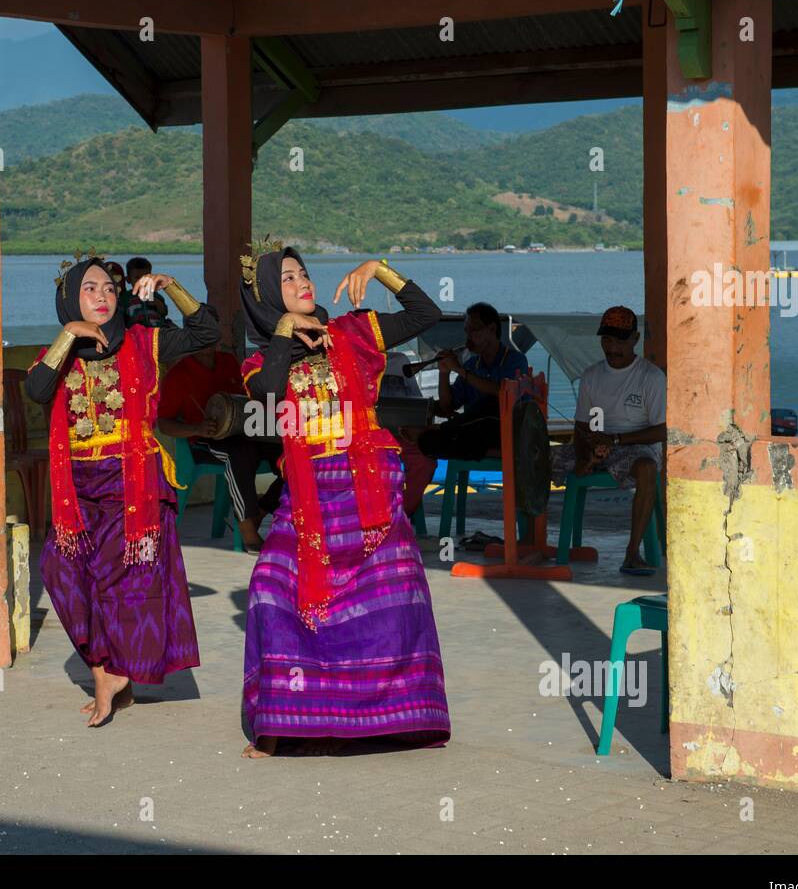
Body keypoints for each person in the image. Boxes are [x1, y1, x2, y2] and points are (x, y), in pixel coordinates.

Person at [238, 243, 450, 758]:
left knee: (390, 599)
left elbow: (428, 313)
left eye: (303, 273)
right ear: (267, 296)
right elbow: (267, 396)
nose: (302, 283)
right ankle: (286, 721)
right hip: (308, 494)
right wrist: (287, 332)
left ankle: (395, 718)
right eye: (287, 280)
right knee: (272, 588)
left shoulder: (353, 333)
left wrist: (379, 270)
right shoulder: (260, 359)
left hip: (369, 487)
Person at [26, 254, 219, 727]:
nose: (102, 296)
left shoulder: (144, 342)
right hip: (79, 489)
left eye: (110, 289)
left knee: (117, 584)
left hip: (131, 483)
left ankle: (108, 674)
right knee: (59, 570)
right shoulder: (61, 354)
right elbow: (35, 389)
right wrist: (68, 335)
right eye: (90, 289)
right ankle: (110, 670)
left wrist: (173, 287)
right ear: (71, 298)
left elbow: (206, 333)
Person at [550, 305, 666, 576]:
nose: (612, 348)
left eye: (619, 341)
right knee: (536, 459)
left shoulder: (651, 377)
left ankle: (632, 552)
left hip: (637, 446)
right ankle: (535, 544)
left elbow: (662, 431)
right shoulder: (591, 376)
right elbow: (581, 427)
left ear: (635, 340)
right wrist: (584, 456)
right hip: (600, 444)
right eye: (607, 340)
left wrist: (615, 440)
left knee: (647, 467)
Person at [400, 302, 530, 517]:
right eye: (467, 331)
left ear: (492, 329)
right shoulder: (472, 366)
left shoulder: (515, 359)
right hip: (473, 436)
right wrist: (444, 372)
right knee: (427, 443)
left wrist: (460, 370)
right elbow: (448, 407)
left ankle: (444, 434)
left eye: (475, 330)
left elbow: (503, 393)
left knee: (488, 406)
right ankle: (484, 451)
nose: (469, 336)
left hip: (503, 430)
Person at [157, 343, 284, 551]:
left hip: (244, 432)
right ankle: (247, 529)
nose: (206, 339)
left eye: (211, 332)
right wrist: (197, 428)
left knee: (291, 455)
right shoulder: (178, 374)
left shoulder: (228, 361)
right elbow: (164, 424)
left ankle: (261, 510)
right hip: (204, 441)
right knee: (241, 453)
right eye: (201, 334)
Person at [122, 256, 171, 328]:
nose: (142, 281)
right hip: (135, 332)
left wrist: (157, 303)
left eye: (145, 277)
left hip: (157, 331)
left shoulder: (156, 295)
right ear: (128, 279)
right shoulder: (125, 297)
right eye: (137, 277)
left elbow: (164, 312)